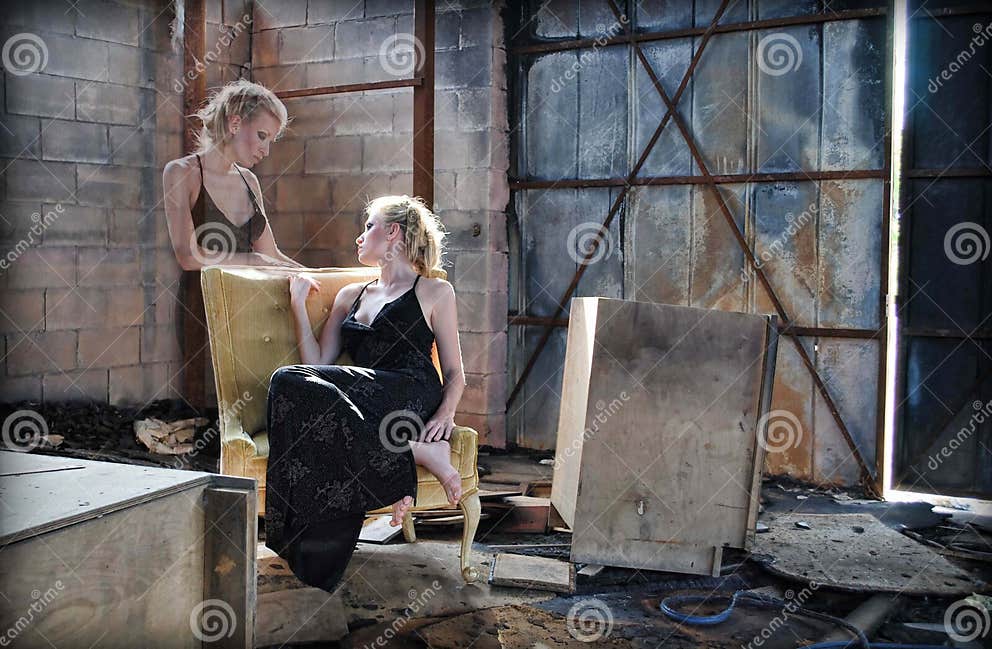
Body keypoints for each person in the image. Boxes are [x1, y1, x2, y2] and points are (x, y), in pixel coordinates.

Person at [263, 195, 466, 593]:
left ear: (393, 232)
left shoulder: (435, 293)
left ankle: (422, 448)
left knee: (299, 384)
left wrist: (446, 415)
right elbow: (317, 367)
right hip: (361, 397)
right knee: (287, 381)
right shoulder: (349, 295)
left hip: (410, 391)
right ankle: (410, 454)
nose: (359, 237)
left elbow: (456, 372)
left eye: (368, 226)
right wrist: (297, 304)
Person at [162, 79, 303, 407]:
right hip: (205, 306)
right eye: (263, 136)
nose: (265, 150)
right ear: (235, 123)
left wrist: (323, 277)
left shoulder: (249, 180)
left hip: (253, 308)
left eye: (271, 141)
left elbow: (272, 254)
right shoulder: (182, 173)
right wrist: (251, 262)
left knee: (256, 407)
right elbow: (188, 255)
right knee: (211, 413)